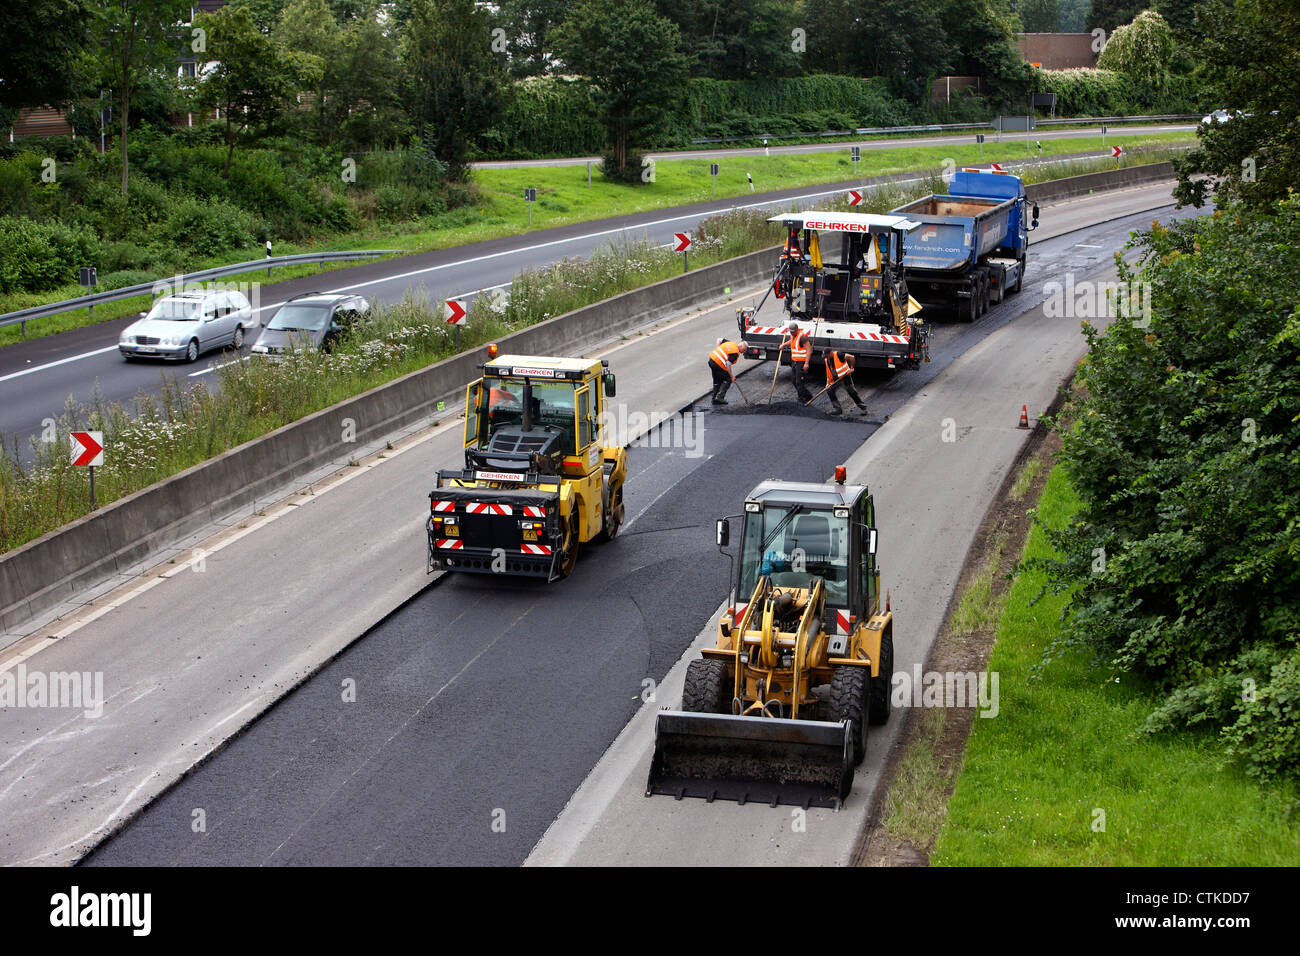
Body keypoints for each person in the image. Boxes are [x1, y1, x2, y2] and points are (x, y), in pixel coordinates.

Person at [822, 349, 867, 416]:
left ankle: (863, 408)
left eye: (826, 356)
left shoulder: (839, 354)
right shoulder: (827, 360)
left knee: (852, 392)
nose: (826, 358)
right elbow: (828, 372)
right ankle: (838, 409)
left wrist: (851, 368)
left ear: (831, 353)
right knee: (829, 390)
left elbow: (852, 357)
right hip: (835, 378)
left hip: (845, 377)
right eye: (825, 356)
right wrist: (827, 383)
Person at [708, 338, 747, 405]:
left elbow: (719, 339)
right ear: (740, 346)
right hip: (718, 364)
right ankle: (719, 397)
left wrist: (718, 349)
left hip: (711, 360)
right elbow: (728, 364)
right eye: (743, 350)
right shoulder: (735, 353)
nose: (743, 352)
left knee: (717, 380)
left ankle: (714, 399)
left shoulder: (730, 343)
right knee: (728, 379)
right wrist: (732, 377)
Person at [785, 321, 814, 404]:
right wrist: (784, 345)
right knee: (794, 381)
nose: (791, 332)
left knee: (799, 382)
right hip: (794, 361)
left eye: (792, 331)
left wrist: (806, 363)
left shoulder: (803, 337)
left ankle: (801, 399)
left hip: (801, 362)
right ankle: (808, 396)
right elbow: (792, 342)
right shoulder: (793, 335)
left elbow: (809, 350)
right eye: (790, 331)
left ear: (797, 329)